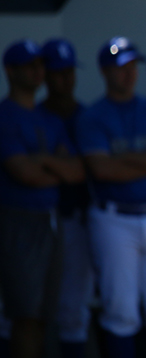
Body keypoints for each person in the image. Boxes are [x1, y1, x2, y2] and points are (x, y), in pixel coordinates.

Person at [74, 36, 146, 357]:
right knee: (120, 309)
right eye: (119, 67)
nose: (126, 73)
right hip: (113, 217)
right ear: (104, 71)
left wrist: (124, 160)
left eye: (131, 66)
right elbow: (101, 170)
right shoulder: (93, 116)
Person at [0, 39, 85, 358]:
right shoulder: (5, 115)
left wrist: (42, 160)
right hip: (17, 219)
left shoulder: (49, 119)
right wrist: (53, 164)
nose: (38, 71)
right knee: (23, 315)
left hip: (52, 219)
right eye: (30, 65)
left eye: (40, 65)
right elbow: (25, 174)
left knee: (44, 316)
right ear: (11, 70)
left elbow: (77, 172)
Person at [37, 38, 94, 358]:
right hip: (35, 218)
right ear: (45, 75)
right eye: (57, 72)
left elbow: (89, 170)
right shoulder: (31, 114)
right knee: (21, 305)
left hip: (76, 217)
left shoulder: (88, 116)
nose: (64, 79)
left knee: (74, 307)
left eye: (69, 72)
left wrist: (50, 161)